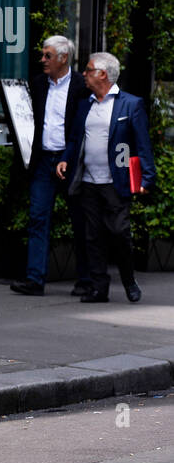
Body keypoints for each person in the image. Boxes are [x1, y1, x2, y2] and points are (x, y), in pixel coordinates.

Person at [56, 52, 156, 304]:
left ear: (102, 74)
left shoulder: (130, 104)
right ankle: (99, 288)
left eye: (88, 70)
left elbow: (142, 145)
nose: (84, 74)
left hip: (116, 181)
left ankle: (129, 281)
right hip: (88, 181)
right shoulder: (85, 104)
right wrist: (66, 158)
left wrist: (147, 178)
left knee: (120, 233)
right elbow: (75, 139)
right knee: (93, 237)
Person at [10, 36, 90, 296]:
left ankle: (86, 280)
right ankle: (35, 279)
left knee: (80, 219)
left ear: (63, 58)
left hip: (71, 160)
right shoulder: (37, 84)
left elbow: (83, 125)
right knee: (38, 218)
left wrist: (72, 155)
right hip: (44, 160)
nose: (42, 60)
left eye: (48, 55)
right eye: (43, 55)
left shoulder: (80, 85)